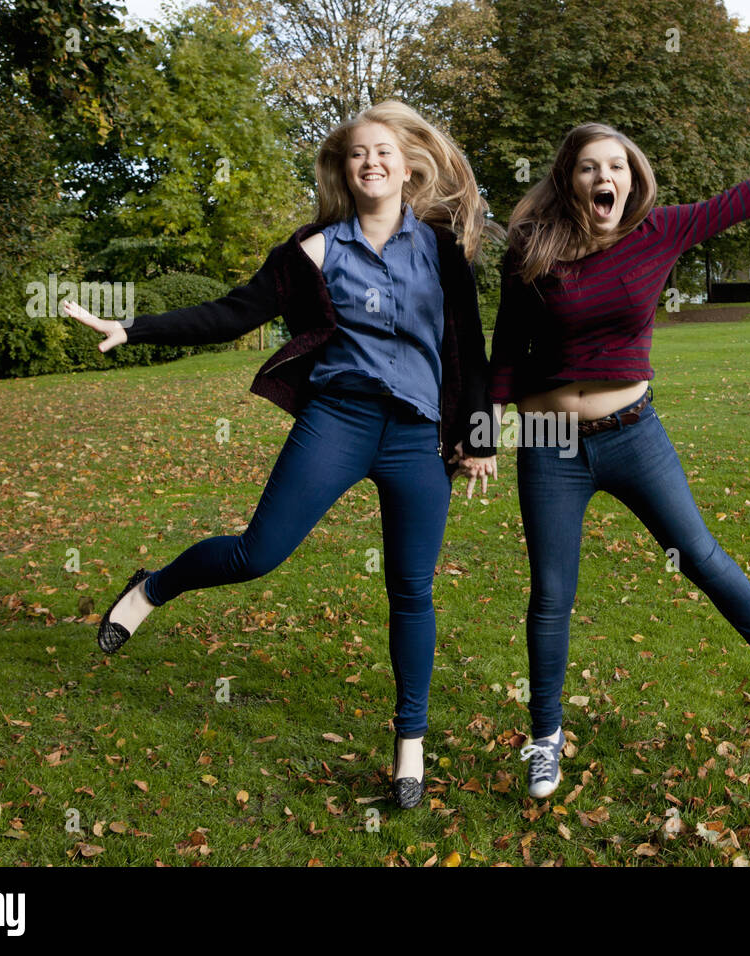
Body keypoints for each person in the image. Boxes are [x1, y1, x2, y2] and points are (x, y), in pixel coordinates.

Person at [64, 101, 500, 810]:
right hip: (339, 420)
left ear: (409, 163)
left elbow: (469, 349)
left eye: (384, 151)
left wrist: (477, 434)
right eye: (358, 153)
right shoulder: (316, 251)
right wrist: (132, 327)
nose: (372, 162)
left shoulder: (443, 252)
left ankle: (409, 747)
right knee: (255, 554)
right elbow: (232, 311)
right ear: (344, 169)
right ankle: (152, 588)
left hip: (416, 436)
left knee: (411, 591)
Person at [488, 111, 750, 798]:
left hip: (631, 430)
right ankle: (545, 736)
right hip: (549, 441)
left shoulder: (659, 231)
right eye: (588, 167)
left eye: (615, 165)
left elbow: (746, 197)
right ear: (569, 181)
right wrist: (483, 427)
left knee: (700, 556)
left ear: (632, 175)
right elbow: (506, 346)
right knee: (551, 593)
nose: (603, 176)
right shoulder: (531, 248)